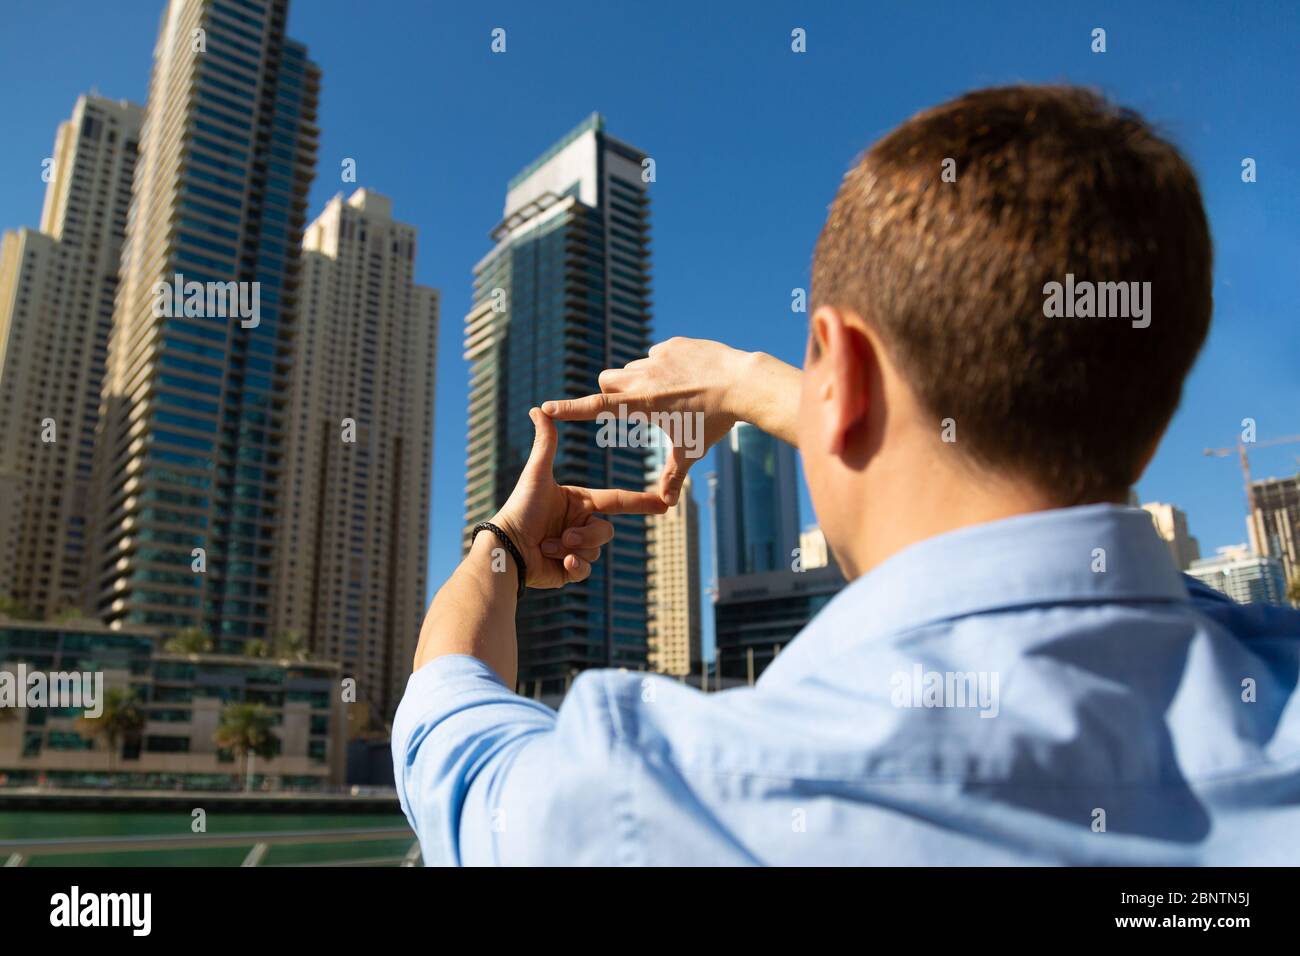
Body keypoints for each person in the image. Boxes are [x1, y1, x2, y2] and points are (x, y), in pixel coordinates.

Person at [393, 85, 1300, 865]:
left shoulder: (668, 801)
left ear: (845, 372)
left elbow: (443, 723)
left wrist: (504, 545)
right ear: (1152, 432)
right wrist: (771, 387)